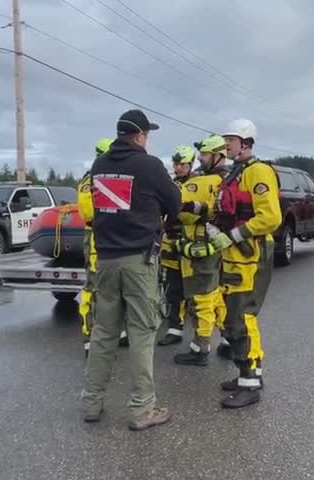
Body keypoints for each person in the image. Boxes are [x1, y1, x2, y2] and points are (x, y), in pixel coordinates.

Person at [82, 109, 181, 431]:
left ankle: (92, 403)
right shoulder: (149, 165)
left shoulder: (99, 165)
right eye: (147, 134)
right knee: (141, 333)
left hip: (106, 260)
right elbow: (175, 203)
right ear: (139, 136)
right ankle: (142, 410)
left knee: (103, 332)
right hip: (138, 261)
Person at [213, 118, 282, 408]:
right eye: (226, 139)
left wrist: (233, 236)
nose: (225, 144)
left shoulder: (259, 172)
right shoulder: (236, 173)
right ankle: (247, 376)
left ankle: (250, 384)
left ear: (245, 143)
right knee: (232, 317)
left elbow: (271, 218)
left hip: (250, 254)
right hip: (235, 256)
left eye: (230, 139)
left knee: (242, 318)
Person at [172, 134, 230, 367]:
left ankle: (200, 347)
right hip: (220, 244)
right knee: (217, 294)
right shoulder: (229, 180)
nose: (200, 158)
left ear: (217, 156)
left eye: (204, 154)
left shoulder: (201, 182)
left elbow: (182, 213)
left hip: (201, 245)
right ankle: (228, 338)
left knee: (202, 297)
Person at [77, 138, 128, 355]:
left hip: (117, 237)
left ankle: (119, 331)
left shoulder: (117, 177)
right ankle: (90, 336)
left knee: (118, 287)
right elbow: (89, 213)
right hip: (97, 237)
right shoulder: (90, 181)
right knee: (94, 288)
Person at [157, 145, 198, 347]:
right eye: (176, 164)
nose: (178, 167)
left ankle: (208, 336)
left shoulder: (197, 183)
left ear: (191, 164)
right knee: (172, 288)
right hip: (170, 241)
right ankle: (174, 329)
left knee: (198, 290)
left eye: (182, 164)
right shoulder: (170, 184)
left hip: (192, 243)